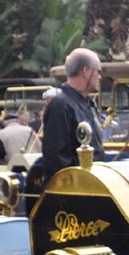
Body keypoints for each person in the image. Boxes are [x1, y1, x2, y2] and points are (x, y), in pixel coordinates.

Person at [40, 48, 105, 176]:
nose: (99, 76)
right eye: (97, 71)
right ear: (86, 71)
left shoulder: (88, 104)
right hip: (75, 189)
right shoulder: (61, 105)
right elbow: (57, 159)